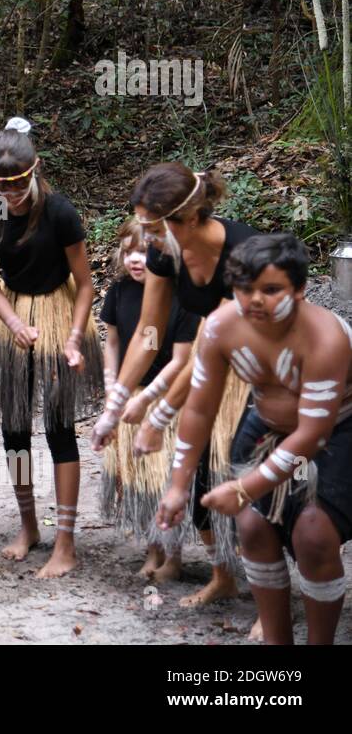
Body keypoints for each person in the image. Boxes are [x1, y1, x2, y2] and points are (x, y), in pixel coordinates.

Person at [156, 233, 352, 644]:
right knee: (253, 528)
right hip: (263, 426)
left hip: (337, 432)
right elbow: (199, 408)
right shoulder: (220, 327)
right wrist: (177, 486)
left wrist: (245, 487)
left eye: (271, 289)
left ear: (300, 289)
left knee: (313, 534)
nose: (255, 300)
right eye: (244, 289)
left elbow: (313, 435)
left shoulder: (326, 337)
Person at [94, 162, 259, 609]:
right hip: (208, 375)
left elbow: (210, 348)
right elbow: (149, 333)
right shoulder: (164, 252)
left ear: (187, 218)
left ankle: (270, 601)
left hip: (256, 380)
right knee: (202, 480)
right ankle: (224, 576)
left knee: (253, 489)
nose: (145, 238)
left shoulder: (242, 251)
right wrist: (115, 405)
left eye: (152, 226)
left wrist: (156, 407)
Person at [0, 117, 102, 578]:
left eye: (20, 182)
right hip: (13, 320)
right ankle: (29, 528)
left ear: (35, 169)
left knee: (59, 429)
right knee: (14, 431)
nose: (12, 193)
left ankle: (65, 540)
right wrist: (12, 322)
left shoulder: (60, 212)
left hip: (59, 313)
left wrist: (72, 335)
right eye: (2, 185)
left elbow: (85, 284)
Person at [95, 218, 198, 581]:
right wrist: (113, 389)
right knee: (137, 480)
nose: (135, 260)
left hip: (165, 397)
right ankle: (152, 551)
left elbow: (182, 360)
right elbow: (112, 343)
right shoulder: (118, 292)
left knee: (162, 479)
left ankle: (173, 555)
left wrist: (149, 399)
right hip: (129, 395)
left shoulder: (180, 296)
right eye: (128, 252)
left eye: (143, 252)